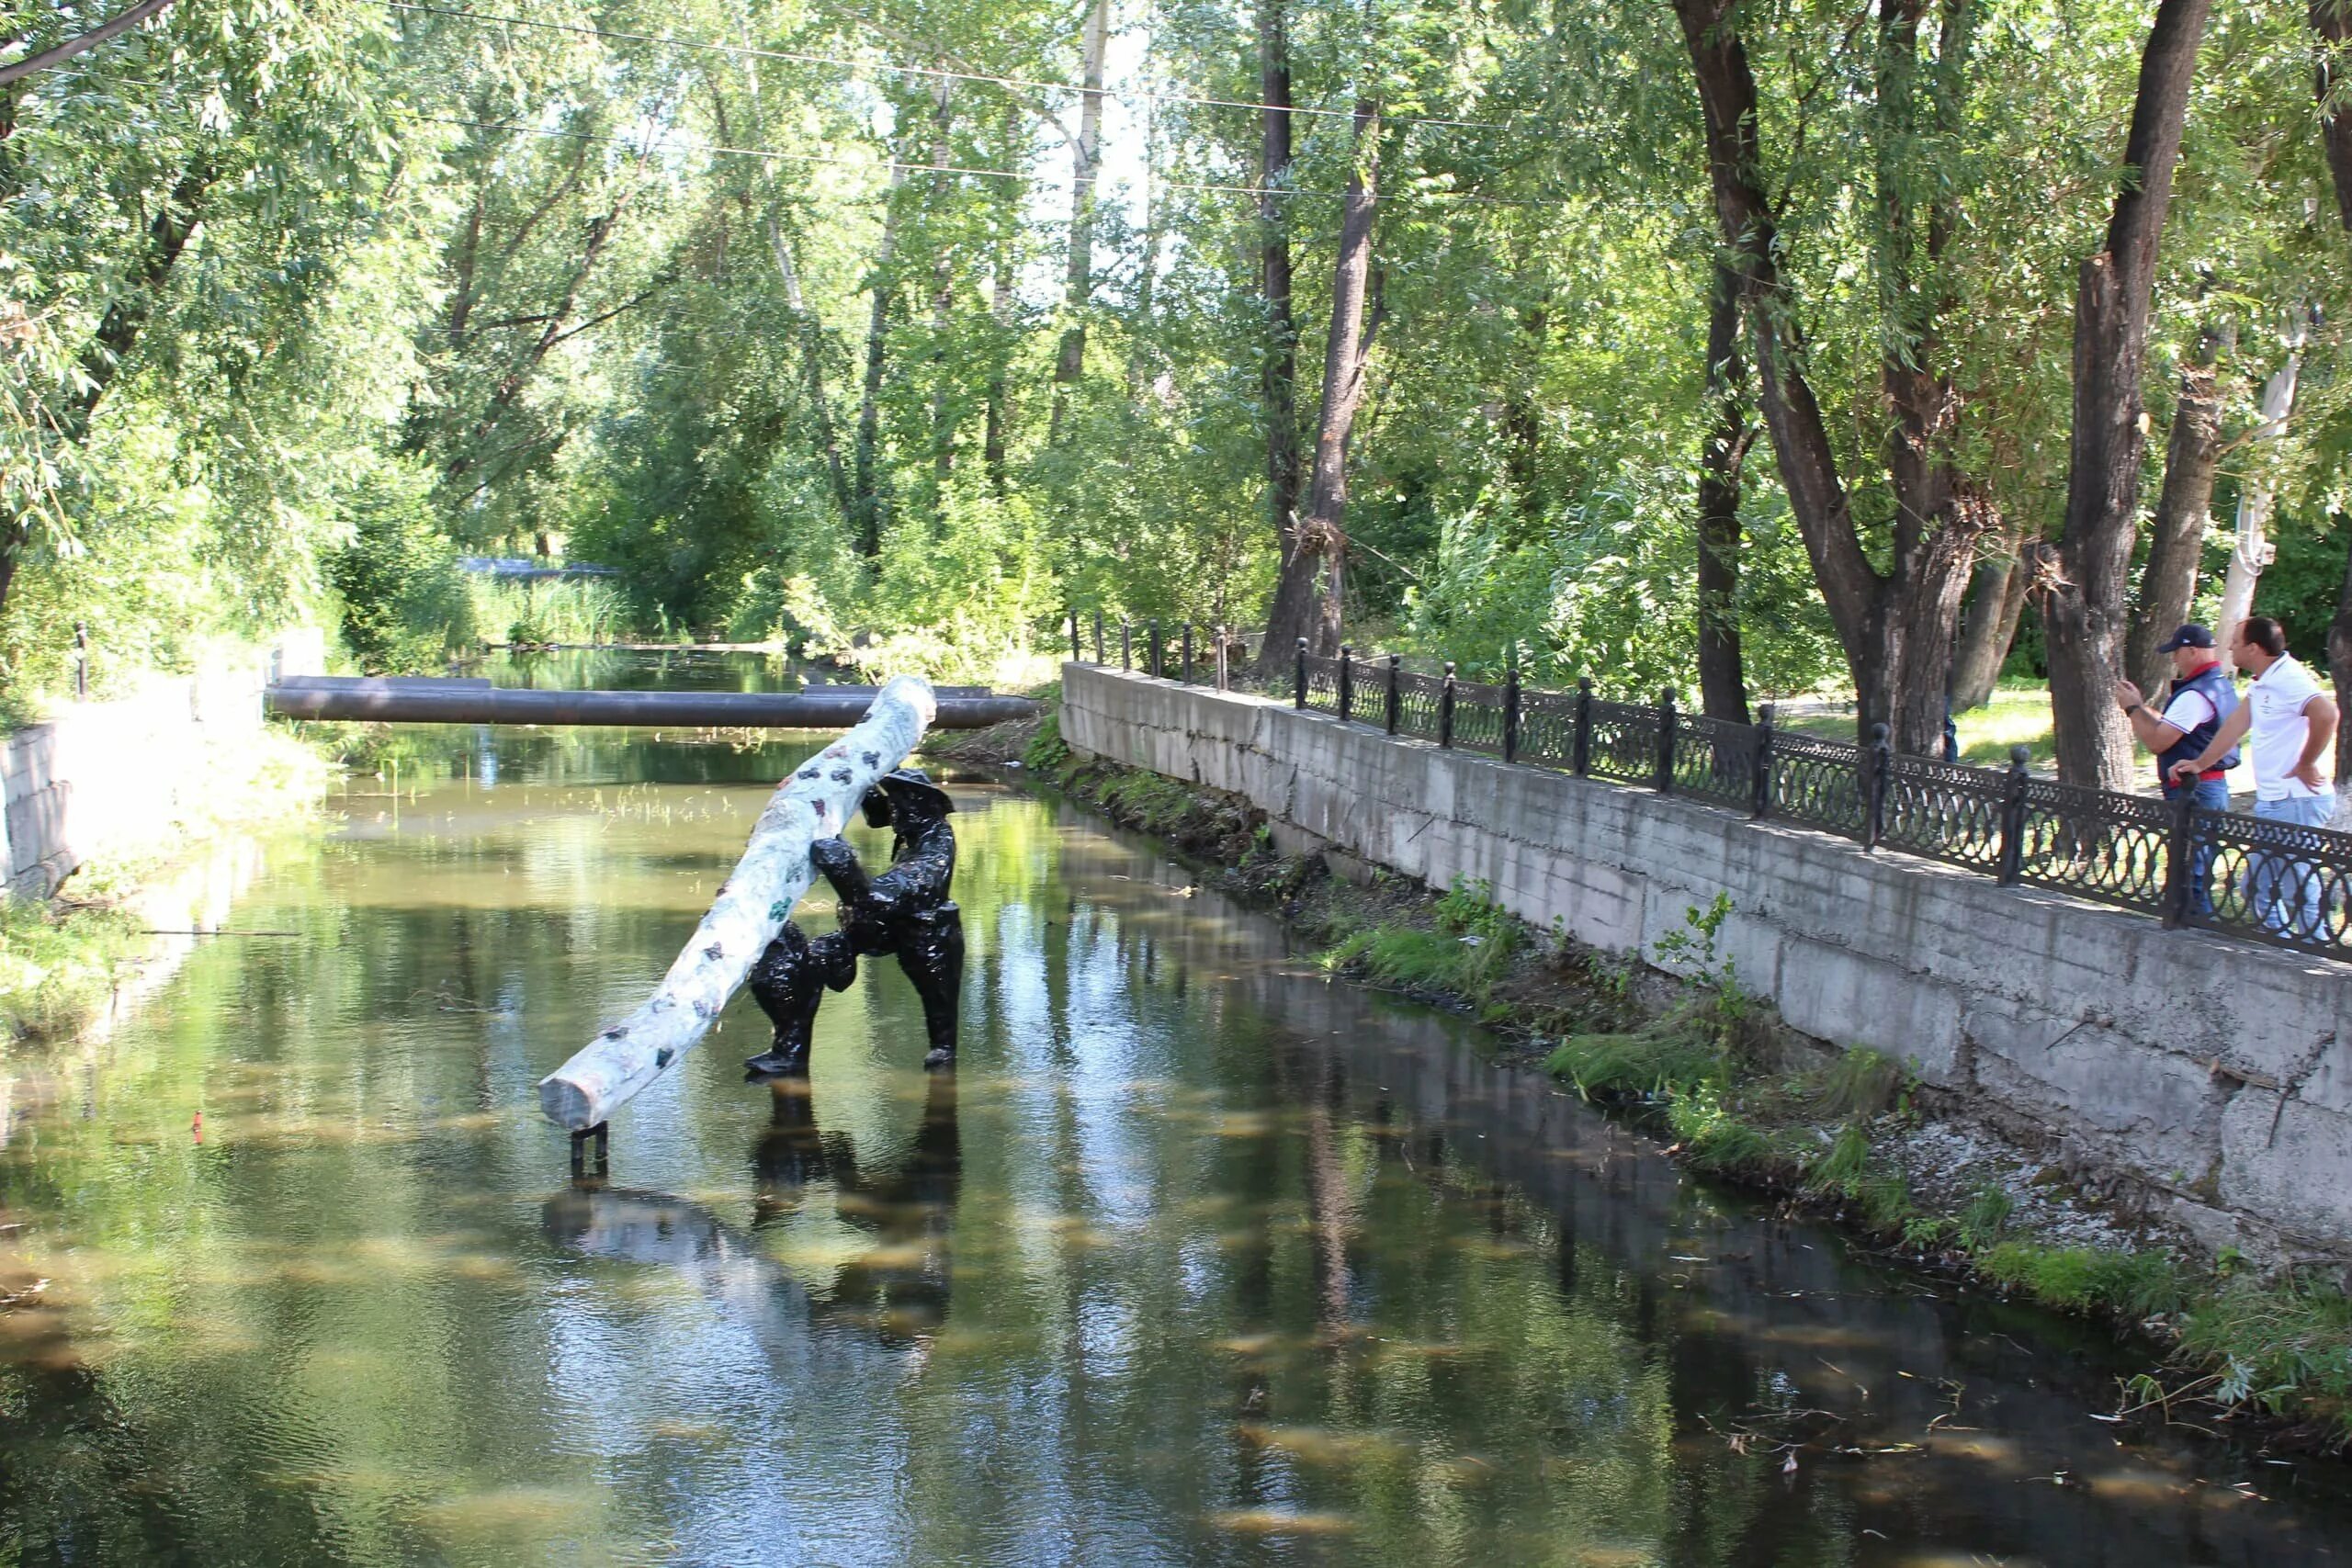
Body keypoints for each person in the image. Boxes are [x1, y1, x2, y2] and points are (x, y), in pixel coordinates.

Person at [2168, 616, 2340, 936]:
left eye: (2236, 641)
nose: (2230, 646)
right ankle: (2284, 948)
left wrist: (2307, 762)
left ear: (2254, 647)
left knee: (2298, 889)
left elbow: (2327, 714)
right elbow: (2235, 725)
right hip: (2273, 802)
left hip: (2296, 800)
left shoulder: (2287, 678)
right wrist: (2200, 763)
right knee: (2256, 888)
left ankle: (2316, 955)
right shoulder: (2263, 681)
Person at [2113, 623, 2238, 915]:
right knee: (2196, 867)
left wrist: (2132, 709)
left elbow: (2159, 740)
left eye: (2177, 653)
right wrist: (2142, 707)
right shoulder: (2218, 684)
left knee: (2189, 874)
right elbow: (2173, 726)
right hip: (2211, 787)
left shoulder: (2195, 695)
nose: (2174, 660)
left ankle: (2194, 935)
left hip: (2195, 792)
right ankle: (2192, 924)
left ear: (2192, 651)